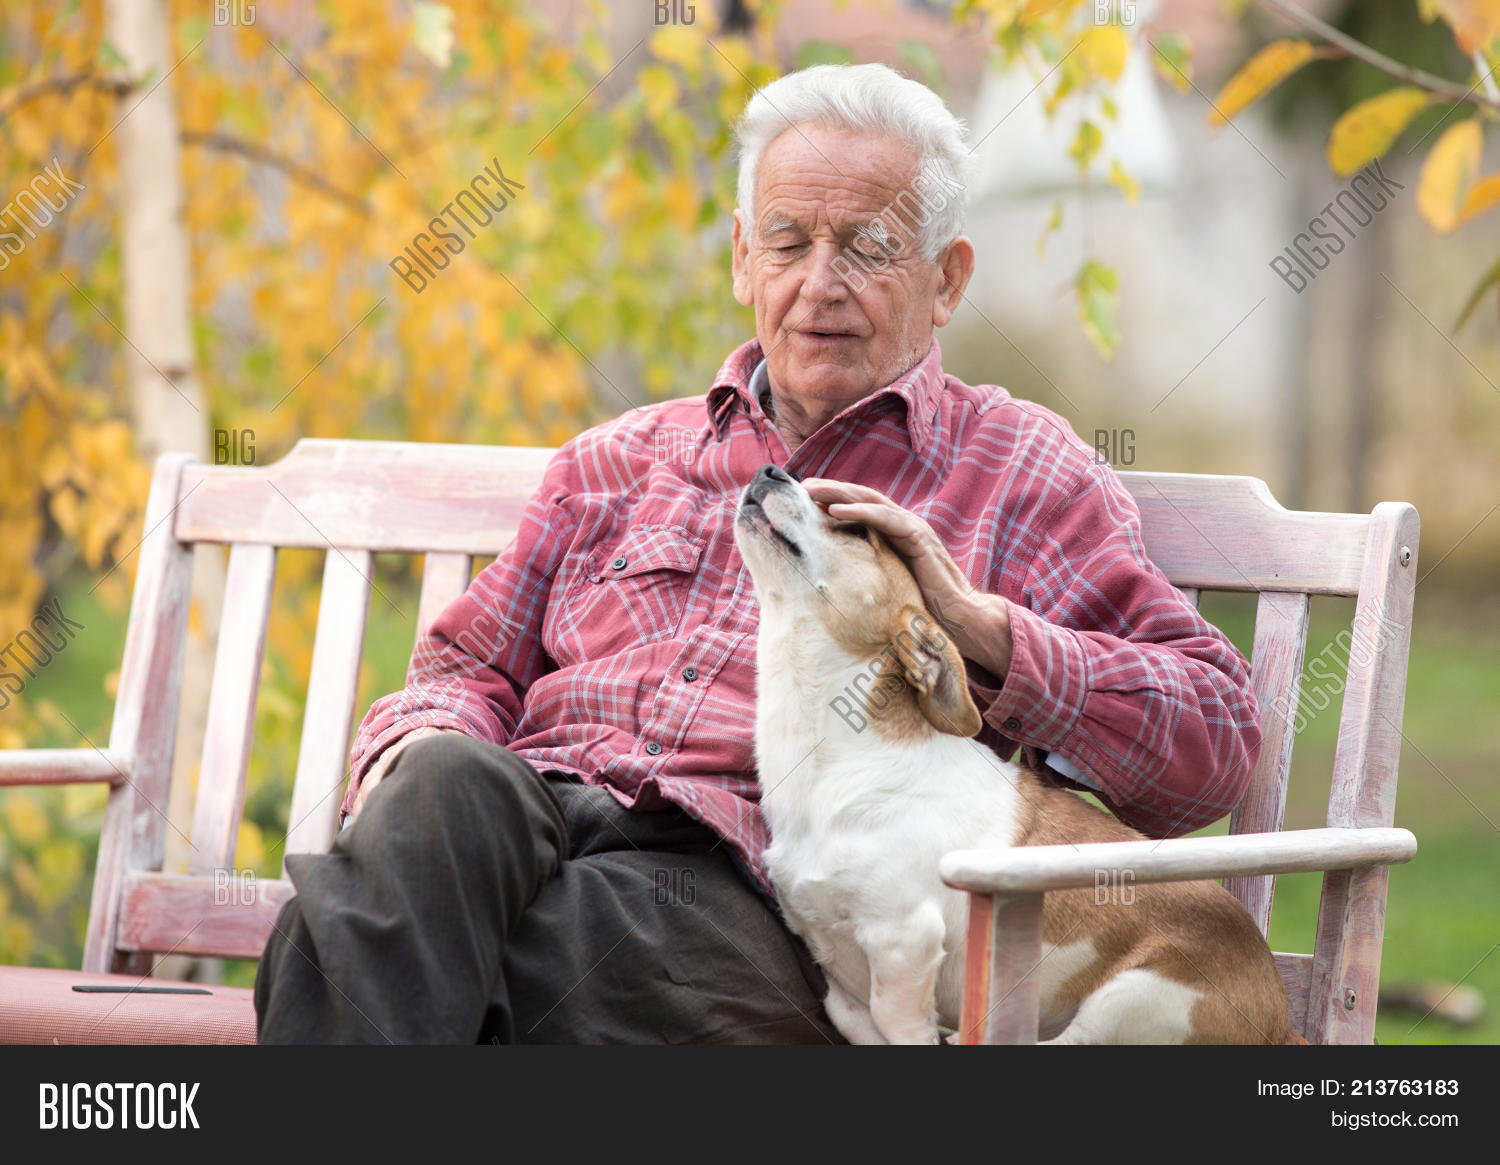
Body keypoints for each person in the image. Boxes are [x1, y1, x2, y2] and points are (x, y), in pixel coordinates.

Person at [253, 62, 1261, 1044]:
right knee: (438, 788)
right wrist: (419, 776)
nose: (820, 284)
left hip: (736, 880)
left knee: (356, 940)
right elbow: (464, 670)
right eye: (787, 242)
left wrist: (982, 630)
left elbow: (1211, 738)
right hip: (529, 814)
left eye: (868, 247)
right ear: (744, 258)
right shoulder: (614, 460)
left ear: (947, 278)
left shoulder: (1020, 471)